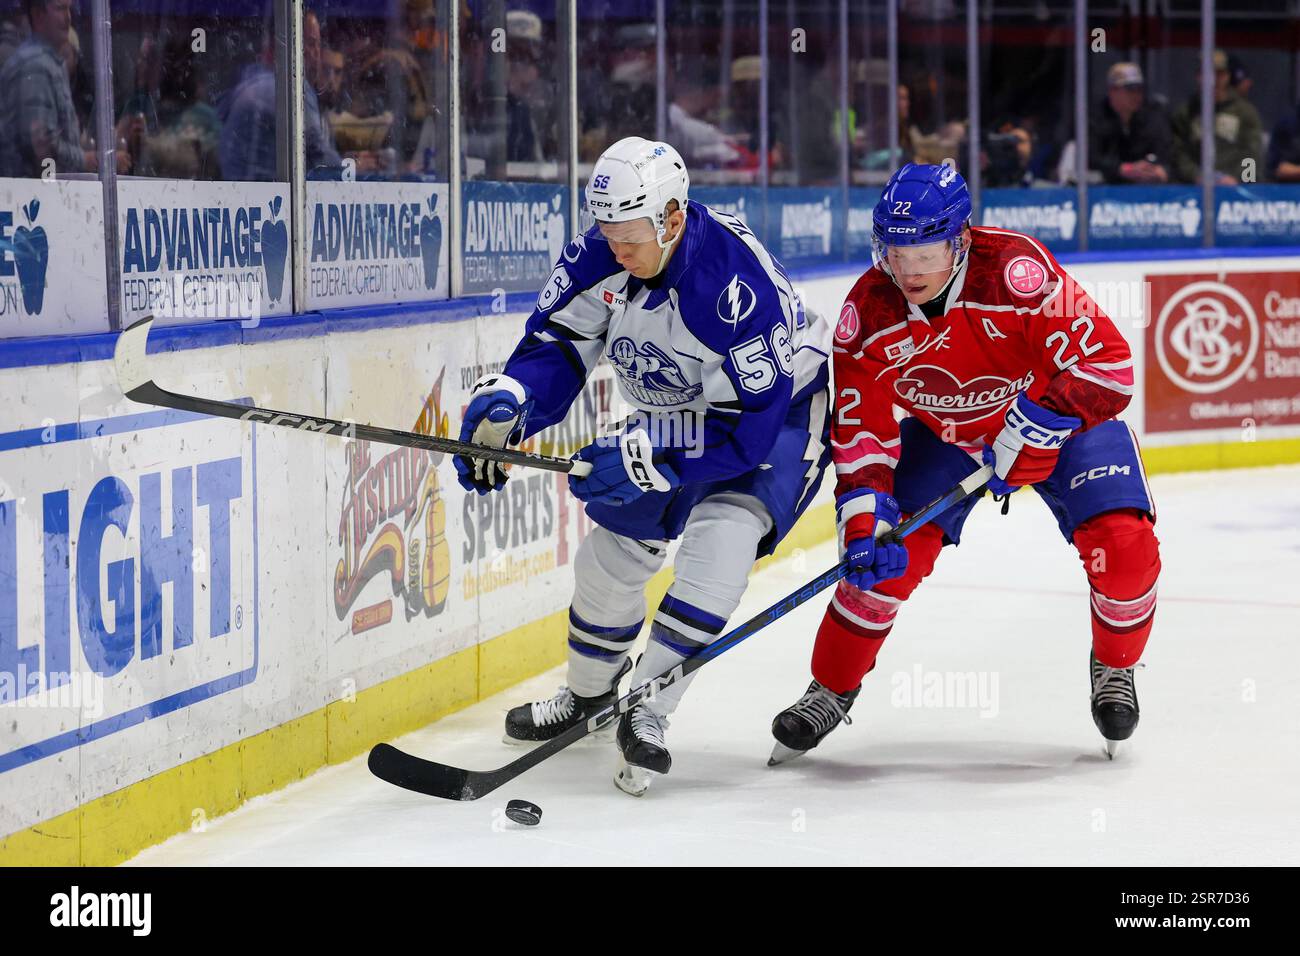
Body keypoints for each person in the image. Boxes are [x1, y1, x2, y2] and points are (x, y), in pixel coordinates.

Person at [452, 137, 832, 795]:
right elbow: (559, 343)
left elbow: (747, 431)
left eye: (629, 236)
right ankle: (591, 698)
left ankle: (647, 712)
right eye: (606, 231)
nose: (615, 249)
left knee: (721, 543)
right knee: (609, 560)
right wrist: (514, 400)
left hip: (773, 417)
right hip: (680, 410)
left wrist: (652, 466)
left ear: (673, 219)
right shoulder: (600, 252)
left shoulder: (729, 287)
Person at [769, 161, 1161, 764]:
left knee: (1124, 545)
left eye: (925, 251)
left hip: (1054, 422)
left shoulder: (1015, 273)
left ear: (961, 239)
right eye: (896, 252)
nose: (909, 270)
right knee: (882, 563)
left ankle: (1113, 666)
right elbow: (863, 437)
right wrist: (865, 519)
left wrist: (1038, 423)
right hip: (948, 438)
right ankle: (831, 687)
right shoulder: (866, 316)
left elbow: (1108, 366)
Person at [1171, 49, 1263, 185]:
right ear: (1198, 76)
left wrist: (1240, 180)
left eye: (1219, 74)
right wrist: (1196, 176)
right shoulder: (1185, 113)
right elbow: (1179, 154)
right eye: (1208, 74)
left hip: (1236, 190)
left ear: (1227, 76)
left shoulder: (1245, 112)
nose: (1213, 80)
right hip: (1194, 190)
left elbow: (1252, 154)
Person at [1089, 62, 1173, 185]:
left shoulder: (1151, 116)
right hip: (1105, 190)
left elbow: (1164, 149)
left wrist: (1162, 169)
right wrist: (1122, 168)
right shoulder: (1095, 118)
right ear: (1113, 91)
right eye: (1130, 89)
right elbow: (1091, 157)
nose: (1137, 95)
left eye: (1140, 89)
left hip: (1144, 189)